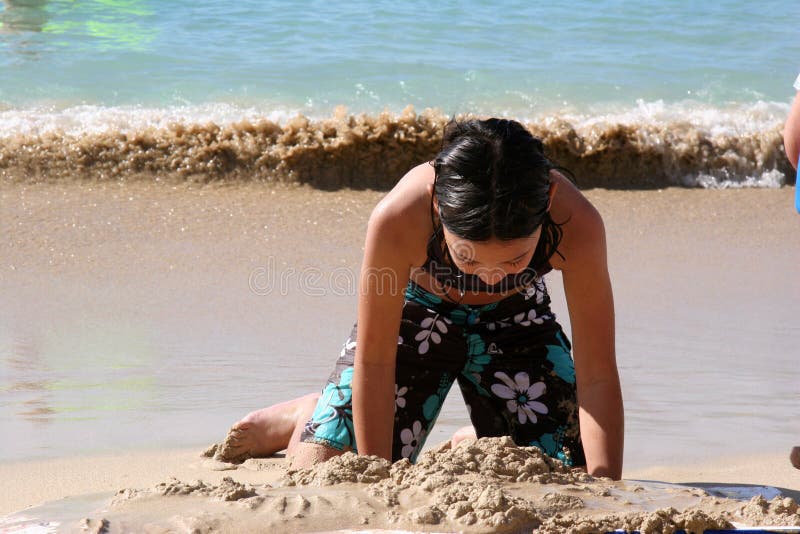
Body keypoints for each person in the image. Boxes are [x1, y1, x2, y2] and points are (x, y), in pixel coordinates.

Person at [221, 118, 624, 479]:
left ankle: (481, 442)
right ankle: (307, 413)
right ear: (437, 206)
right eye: (466, 256)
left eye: (516, 259)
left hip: (518, 323)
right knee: (326, 470)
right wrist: (376, 478)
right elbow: (376, 360)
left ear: (549, 200)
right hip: (417, 316)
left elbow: (598, 372)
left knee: (572, 472)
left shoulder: (578, 223)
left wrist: (607, 487)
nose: (490, 275)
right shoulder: (399, 216)